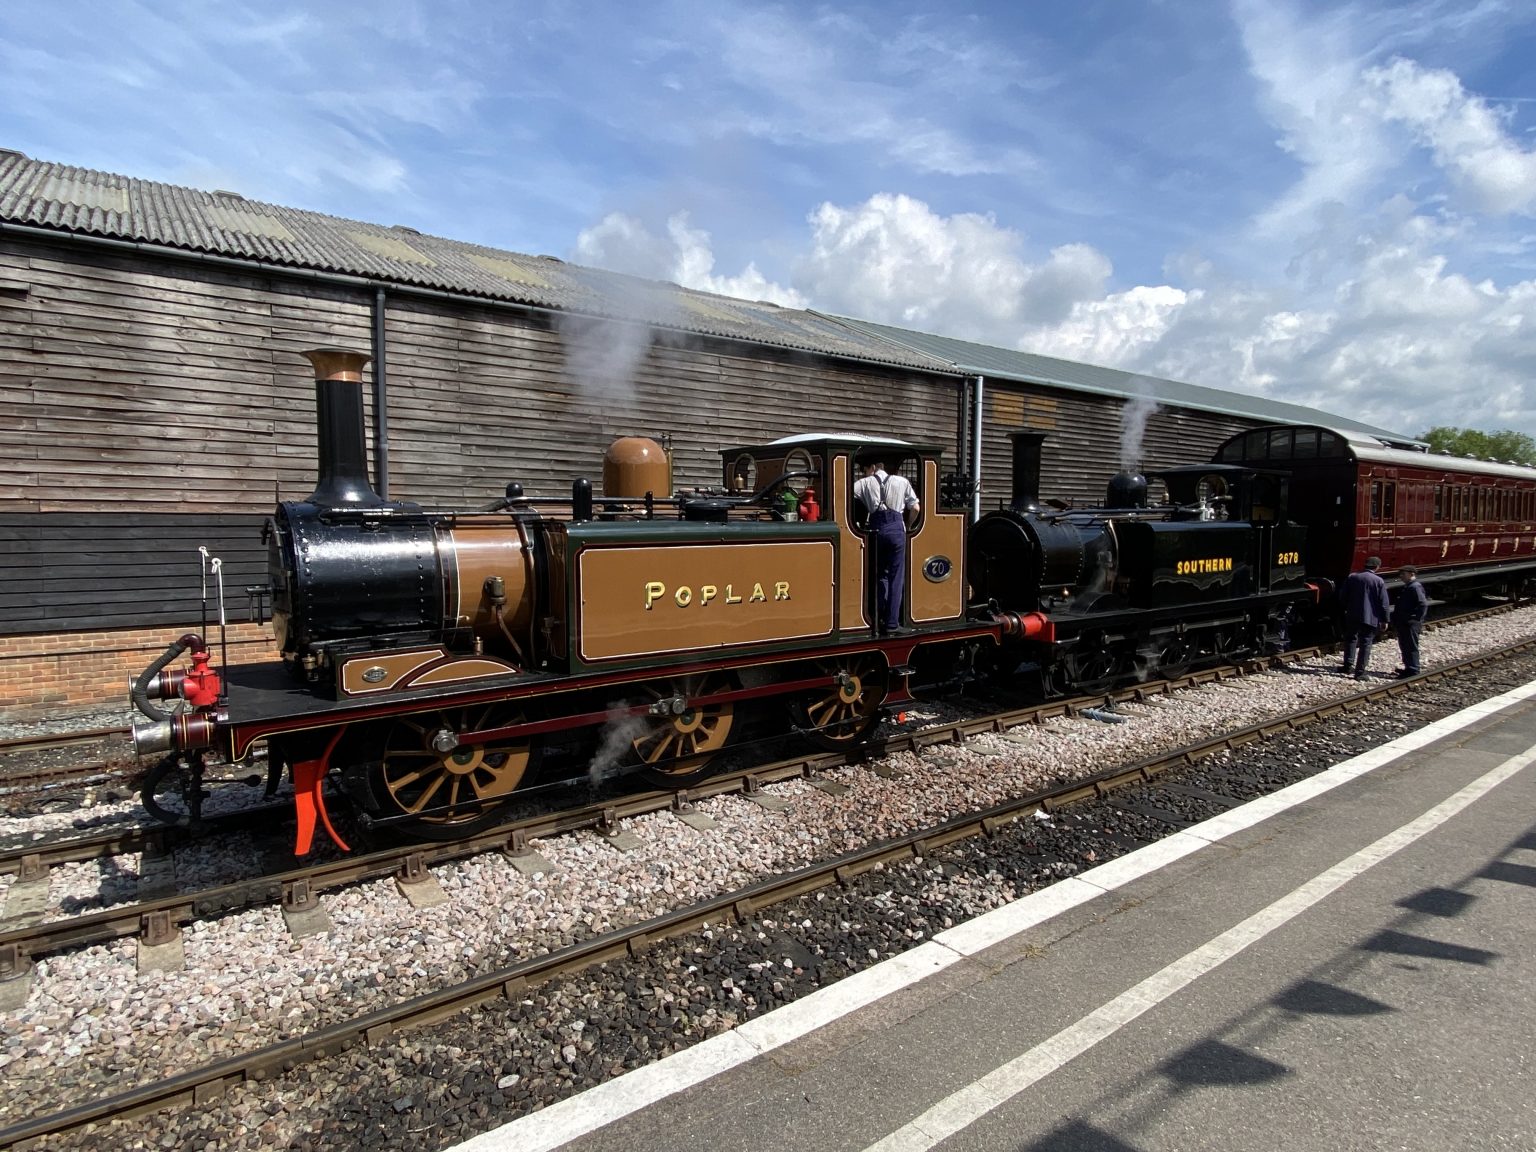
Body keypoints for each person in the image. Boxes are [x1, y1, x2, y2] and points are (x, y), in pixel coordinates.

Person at [854, 457, 920, 635]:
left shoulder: (863, 483)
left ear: (873, 468)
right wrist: (909, 526)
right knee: (896, 577)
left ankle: (879, 615)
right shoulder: (902, 481)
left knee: (879, 574)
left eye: (865, 469)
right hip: (897, 528)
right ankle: (892, 623)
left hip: (877, 529)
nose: (863, 473)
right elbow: (915, 508)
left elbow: (847, 496)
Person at [1339, 555, 1391, 680]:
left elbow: (1343, 596)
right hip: (1370, 617)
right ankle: (1360, 672)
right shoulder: (1378, 581)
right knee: (1366, 643)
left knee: (1351, 639)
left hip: (1352, 614)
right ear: (1377, 567)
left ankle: (1347, 665)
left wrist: (1345, 609)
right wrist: (1385, 619)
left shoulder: (1353, 577)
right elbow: (1384, 603)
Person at [1393, 565, 1429, 677]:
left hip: (1410, 622)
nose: (1401, 576)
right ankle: (1408, 667)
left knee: (1410, 645)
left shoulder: (1415, 587)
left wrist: (1416, 618)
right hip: (1405, 621)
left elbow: (1422, 604)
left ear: (1411, 574)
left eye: (1403, 574)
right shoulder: (1409, 586)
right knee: (1405, 644)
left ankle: (1413, 669)